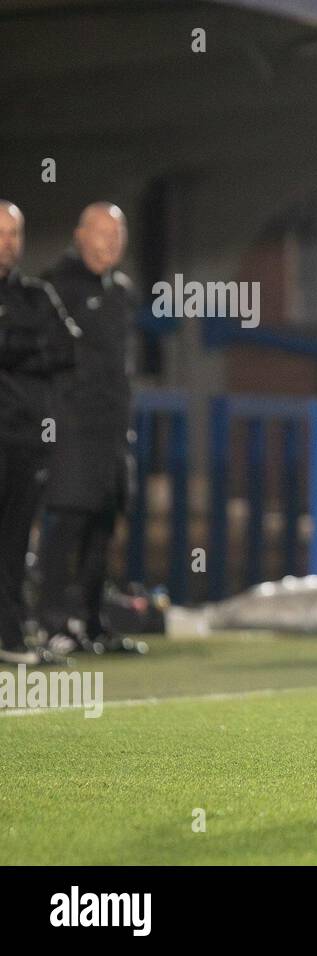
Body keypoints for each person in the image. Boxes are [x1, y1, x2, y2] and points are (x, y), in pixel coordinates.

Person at [39, 202, 141, 656]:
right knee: (67, 526)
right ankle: (53, 623)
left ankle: (92, 621)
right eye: (102, 234)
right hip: (72, 429)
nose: (111, 243)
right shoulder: (53, 287)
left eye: (117, 235)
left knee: (104, 526)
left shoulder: (121, 291)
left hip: (114, 433)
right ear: (80, 235)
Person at [0, 201, 79, 666]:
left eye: (14, 234)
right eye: (0, 233)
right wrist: (26, 346)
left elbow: (65, 349)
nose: (7, 243)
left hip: (25, 440)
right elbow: (42, 349)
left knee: (13, 544)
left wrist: (10, 346)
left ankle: (9, 635)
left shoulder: (37, 296)